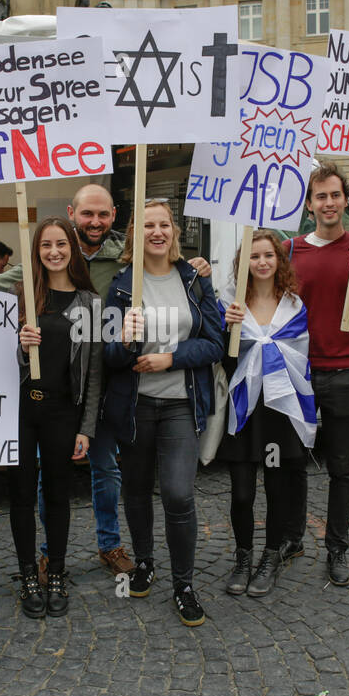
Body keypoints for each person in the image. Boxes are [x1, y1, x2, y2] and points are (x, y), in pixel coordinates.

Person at [0, 184, 137, 576]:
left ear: (114, 215)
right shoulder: (34, 274)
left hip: (102, 374)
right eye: (88, 214)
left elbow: (161, 262)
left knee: (104, 466)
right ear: (73, 214)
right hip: (53, 391)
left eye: (103, 215)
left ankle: (109, 544)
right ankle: (49, 553)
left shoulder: (124, 254)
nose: (95, 222)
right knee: (49, 473)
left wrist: (199, 265)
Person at [103, 201, 222, 626]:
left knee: (177, 493)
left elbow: (215, 341)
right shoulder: (120, 286)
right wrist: (124, 341)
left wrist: (170, 358)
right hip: (135, 408)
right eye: (147, 225)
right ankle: (145, 562)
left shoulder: (193, 280)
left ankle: (184, 583)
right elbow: (110, 356)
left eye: (164, 225)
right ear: (135, 233)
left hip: (180, 405)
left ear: (174, 231)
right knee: (135, 490)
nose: (157, 232)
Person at [281, 164, 349, 586]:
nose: (328, 203)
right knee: (290, 462)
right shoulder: (290, 251)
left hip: (343, 372)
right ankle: (291, 537)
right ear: (309, 205)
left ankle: (337, 548)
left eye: (335, 195)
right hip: (295, 372)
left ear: (346, 201)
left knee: (341, 466)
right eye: (320, 196)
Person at [9, 216, 103, 618]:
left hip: (64, 410)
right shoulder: (22, 296)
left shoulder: (90, 303)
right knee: (21, 494)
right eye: (46, 245)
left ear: (72, 247)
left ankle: (58, 571)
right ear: (37, 251)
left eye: (61, 243)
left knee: (57, 495)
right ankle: (29, 573)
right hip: (21, 409)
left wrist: (87, 428)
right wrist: (19, 343)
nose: (54, 252)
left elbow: (95, 371)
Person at [219, 230, 316, 597]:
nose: (261, 262)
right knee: (242, 492)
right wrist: (227, 327)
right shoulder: (230, 302)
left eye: (268, 256)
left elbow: (299, 356)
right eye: (254, 256)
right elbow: (223, 359)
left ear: (279, 260)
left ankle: (271, 556)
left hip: (278, 411)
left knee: (277, 488)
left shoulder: (293, 305)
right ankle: (243, 556)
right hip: (244, 411)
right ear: (244, 263)